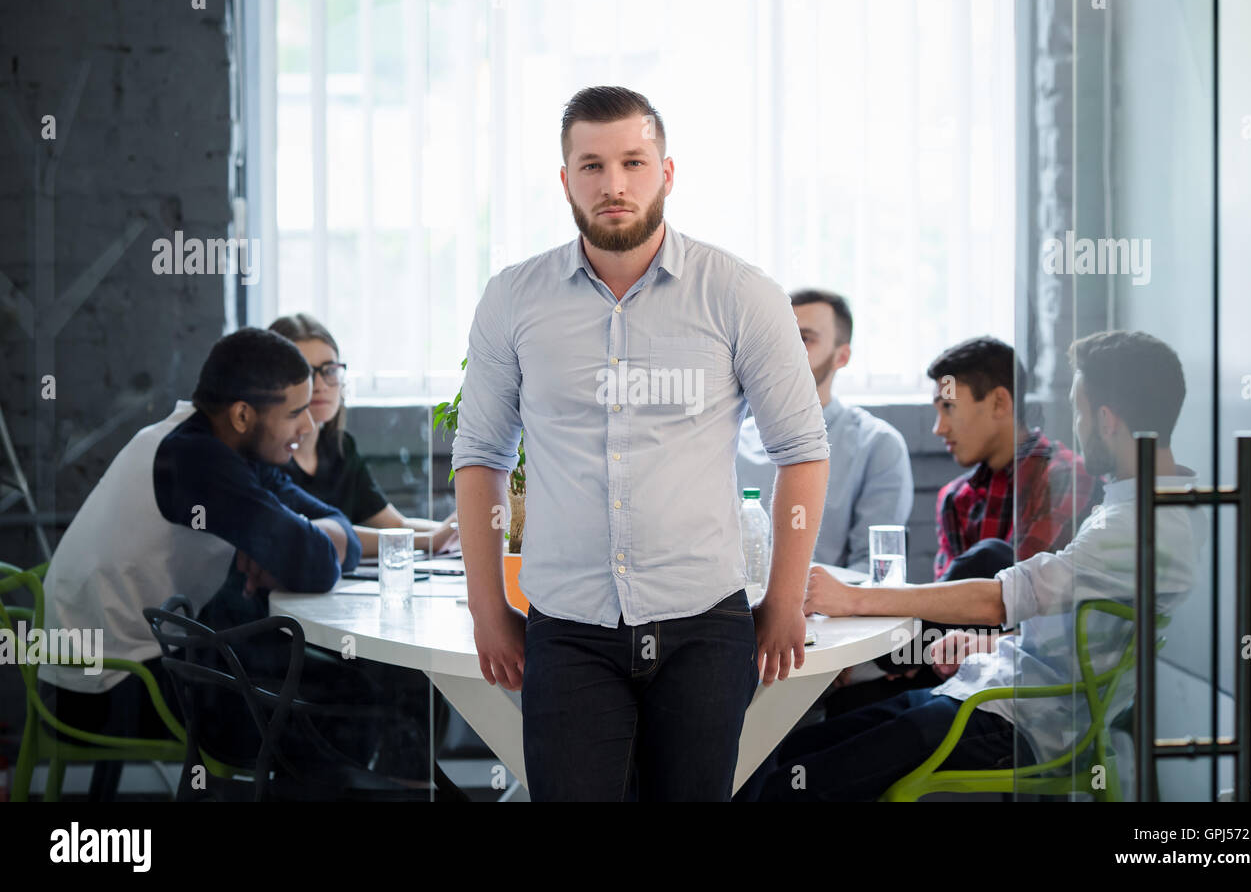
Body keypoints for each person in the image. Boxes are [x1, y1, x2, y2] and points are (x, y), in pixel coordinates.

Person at [452, 85, 830, 801]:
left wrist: (785, 600)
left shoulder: (740, 294)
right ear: (565, 180)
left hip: (704, 627)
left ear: (667, 172)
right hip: (567, 627)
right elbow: (481, 457)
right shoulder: (514, 297)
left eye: (633, 161)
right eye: (592, 166)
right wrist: (486, 607)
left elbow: (802, 450)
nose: (614, 184)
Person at [741, 330, 1204, 801]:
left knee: (785, 785)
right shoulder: (1136, 509)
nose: (1076, 425)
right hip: (989, 690)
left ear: (1106, 420)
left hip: (1012, 723)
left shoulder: (1138, 525)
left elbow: (999, 597)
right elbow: (1074, 618)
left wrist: (854, 597)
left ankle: (865, 665)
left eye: (1079, 411)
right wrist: (991, 642)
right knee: (779, 754)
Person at [38, 328, 360, 774]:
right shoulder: (195, 460)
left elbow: (341, 534)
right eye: (296, 413)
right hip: (106, 690)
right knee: (326, 705)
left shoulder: (227, 444)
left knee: (331, 685)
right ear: (244, 414)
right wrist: (307, 547)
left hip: (133, 665)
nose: (308, 427)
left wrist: (313, 542)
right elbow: (319, 565)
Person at [819, 336, 1098, 713]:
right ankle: (882, 656)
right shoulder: (956, 498)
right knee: (841, 710)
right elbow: (944, 608)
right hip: (949, 656)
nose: (938, 428)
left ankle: (881, 653)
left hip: (1023, 659)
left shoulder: (1061, 475)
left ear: (999, 402)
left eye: (948, 408)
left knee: (991, 558)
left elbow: (1033, 605)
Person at [734, 288, 912, 569]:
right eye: (779, 336)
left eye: (805, 339)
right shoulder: (732, 442)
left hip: (830, 611)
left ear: (841, 357)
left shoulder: (878, 445)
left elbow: (872, 567)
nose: (786, 349)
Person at [268, 313, 458, 558]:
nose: (321, 385)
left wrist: (458, 530)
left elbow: (395, 524)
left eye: (330, 370)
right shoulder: (268, 457)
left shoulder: (340, 448)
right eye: (305, 371)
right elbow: (320, 534)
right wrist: (429, 540)